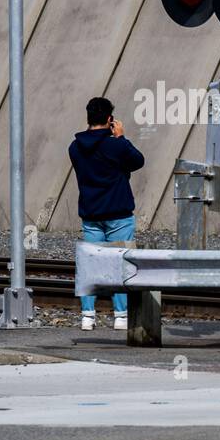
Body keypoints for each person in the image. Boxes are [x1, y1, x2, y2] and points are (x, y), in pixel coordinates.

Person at [68, 97, 145, 331]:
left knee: (91, 264)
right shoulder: (117, 145)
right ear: (110, 119)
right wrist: (121, 137)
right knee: (120, 262)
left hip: (91, 214)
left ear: (88, 118)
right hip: (119, 213)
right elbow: (138, 161)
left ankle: (88, 316)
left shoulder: (75, 147)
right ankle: (121, 316)